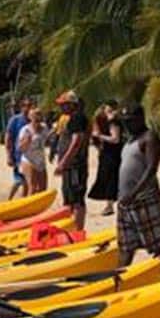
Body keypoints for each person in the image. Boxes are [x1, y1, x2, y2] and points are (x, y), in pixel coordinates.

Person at [115, 104, 160, 275]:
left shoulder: (149, 137)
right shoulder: (130, 140)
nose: (127, 124)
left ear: (140, 118)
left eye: (130, 120)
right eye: (124, 121)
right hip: (125, 202)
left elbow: (151, 169)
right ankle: (119, 280)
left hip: (144, 199)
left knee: (155, 246)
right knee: (126, 247)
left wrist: (134, 193)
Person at [52, 90, 91, 229]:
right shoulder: (71, 118)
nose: (60, 107)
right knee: (69, 198)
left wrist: (63, 163)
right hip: (71, 166)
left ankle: (78, 230)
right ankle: (70, 227)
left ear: (71, 105)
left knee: (77, 199)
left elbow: (76, 142)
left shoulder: (77, 118)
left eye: (63, 105)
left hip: (75, 166)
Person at [88, 100, 124, 208]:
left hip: (112, 152)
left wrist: (99, 136)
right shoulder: (109, 120)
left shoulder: (113, 121)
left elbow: (115, 139)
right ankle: (110, 203)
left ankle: (110, 204)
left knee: (111, 177)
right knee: (109, 177)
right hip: (108, 152)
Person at [17, 108, 49, 196]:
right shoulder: (25, 130)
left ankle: (39, 208)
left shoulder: (45, 127)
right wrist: (27, 141)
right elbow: (20, 148)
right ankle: (29, 208)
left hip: (40, 160)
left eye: (39, 115)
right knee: (33, 187)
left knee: (43, 188)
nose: (38, 118)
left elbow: (46, 141)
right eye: (35, 116)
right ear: (30, 117)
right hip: (28, 160)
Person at [3, 99, 30, 198]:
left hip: (30, 156)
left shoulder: (33, 120)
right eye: (25, 106)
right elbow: (8, 138)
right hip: (18, 155)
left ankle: (24, 201)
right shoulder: (15, 120)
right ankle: (9, 199)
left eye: (30, 106)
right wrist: (9, 155)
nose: (27, 108)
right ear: (21, 107)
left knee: (27, 181)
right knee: (19, 181)